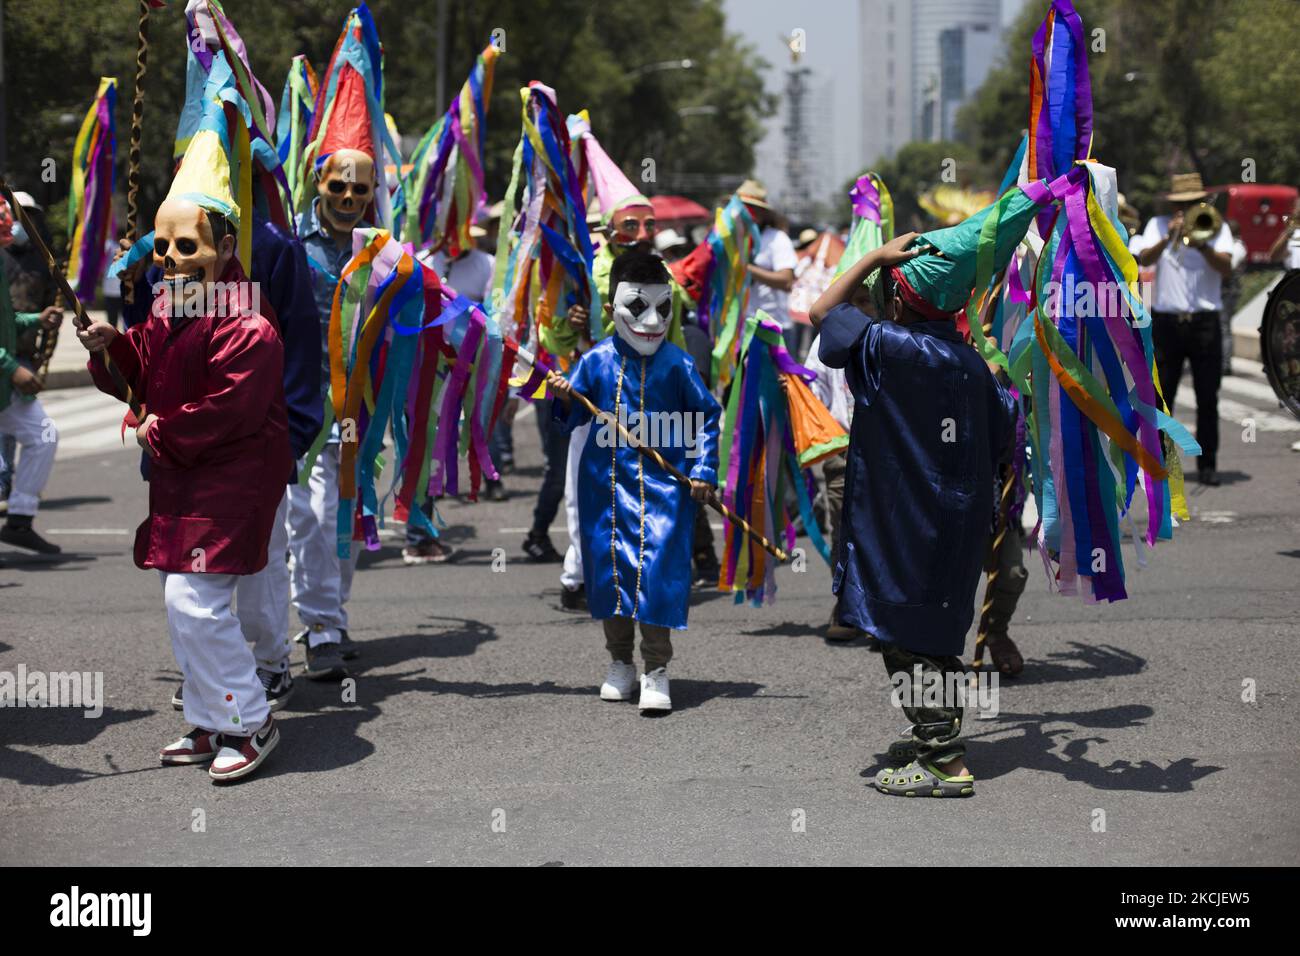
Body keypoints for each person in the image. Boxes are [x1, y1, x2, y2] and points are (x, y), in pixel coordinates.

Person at [78, 139, 291, 782]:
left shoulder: (248, 322)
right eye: (163, 246)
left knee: (195, 602)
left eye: (186, 246)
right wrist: (113, 346)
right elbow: (143, 364)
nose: (169, 259)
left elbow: (229, 409)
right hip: (184, 479)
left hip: (232, 481)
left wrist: (161, 432)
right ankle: (209, 717)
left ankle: (248, 720)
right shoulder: (175, 304)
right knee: (182, 601)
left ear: (224, 248)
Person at [810, 193, 1028, 795]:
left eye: (887, 285)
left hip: (903, 523)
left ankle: (943, 760)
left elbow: (821, 311)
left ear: (901, 298)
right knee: (935, 632)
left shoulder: (886, 345)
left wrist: (874, 256)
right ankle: (938, 731)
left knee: (902, 634)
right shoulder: (974, 365)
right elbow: (1004, 441)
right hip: (960, 523)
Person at [547, 251, 720, 714]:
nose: (653, 321)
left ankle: (656, 668)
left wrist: (703, 471)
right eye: (639, 307)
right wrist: (562, 397)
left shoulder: (679, 365)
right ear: (611, 310)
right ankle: (620, 662)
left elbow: (706, 418)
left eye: (664, 309)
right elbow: (568, 419)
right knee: (612, 574)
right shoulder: (595, 362)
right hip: (604, 491)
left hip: (665, 493)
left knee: (659, 575)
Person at [1129, 173, 1235, 486]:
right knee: (1161, 397)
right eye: (1181, 205)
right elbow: (1143, 259)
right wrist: (1168, 237)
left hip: (1204, 322)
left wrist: (1202, 246)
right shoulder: (1157, 225)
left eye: (1191, 204)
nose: (1186, 210)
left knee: (1208, 397)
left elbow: (1226, 268)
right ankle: (1160, 463)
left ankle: (1208, 465)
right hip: (1167, 322)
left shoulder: (1216, 227)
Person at [0, 220, 63, 554]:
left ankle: (20, 521)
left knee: (43, 436)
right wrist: (13, 369)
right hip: (7, 374)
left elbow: (6, 320)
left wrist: (36, 319)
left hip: (5, 384)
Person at [801, 329, 861, 642]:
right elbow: (814, 386)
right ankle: (846, 604)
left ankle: (882, 609)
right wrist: (792, 385)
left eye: (867, 304)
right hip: (841, 445)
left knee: (884, 528)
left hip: (887, 447)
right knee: (840, 526)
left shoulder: (894, 331)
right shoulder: (831, 335)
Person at [738, 180, 799, 357]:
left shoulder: (777, 239)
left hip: (775, 328)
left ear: (762, 213)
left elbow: (786, 281)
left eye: (752, 208)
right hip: (744, 330)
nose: (747, 213)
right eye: (743, 207)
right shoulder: (735, 240)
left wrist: (746, 268)